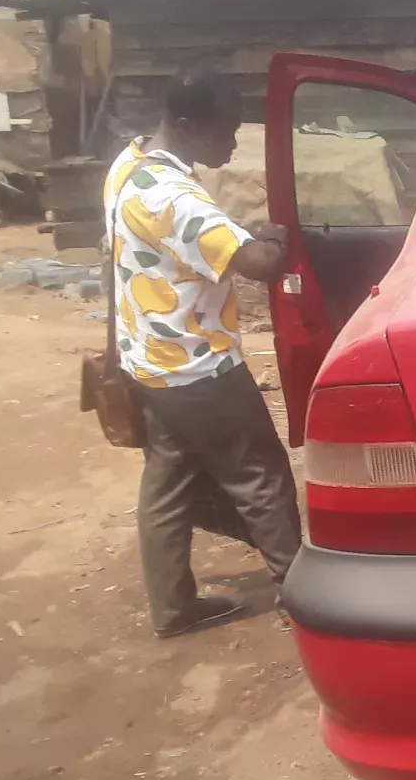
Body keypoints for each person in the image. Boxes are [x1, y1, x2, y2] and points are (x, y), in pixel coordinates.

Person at [105, 64, 299, 638]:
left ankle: (173, 608)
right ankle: (300, 592)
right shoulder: (174, 198)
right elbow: (262, 265)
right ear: (187, 125)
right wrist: (273, 235)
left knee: (168, 484)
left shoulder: (129, 165)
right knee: (261, 480)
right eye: (225, 132)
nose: (234, 144)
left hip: (147, 359)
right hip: (198, 366)